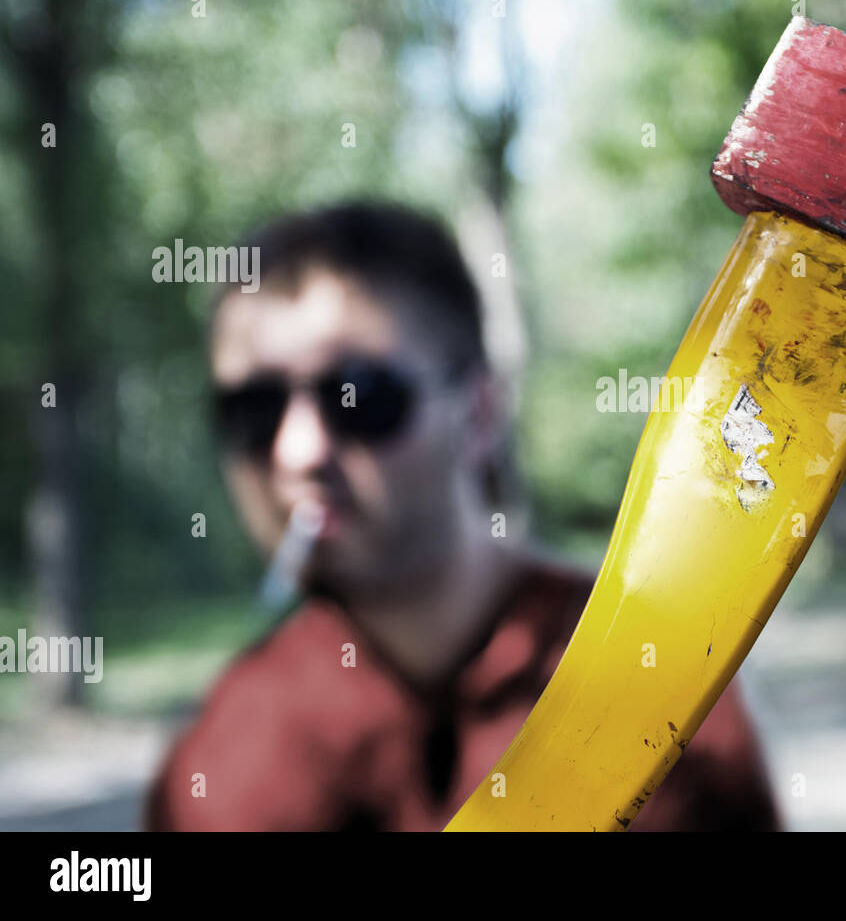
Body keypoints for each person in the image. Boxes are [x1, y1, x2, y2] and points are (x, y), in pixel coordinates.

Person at [145, 201, 782, 831]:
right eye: (255, 411)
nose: (299, 451)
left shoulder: (656, 687)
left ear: (477, 413)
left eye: (360, 396)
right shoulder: (221, 755)